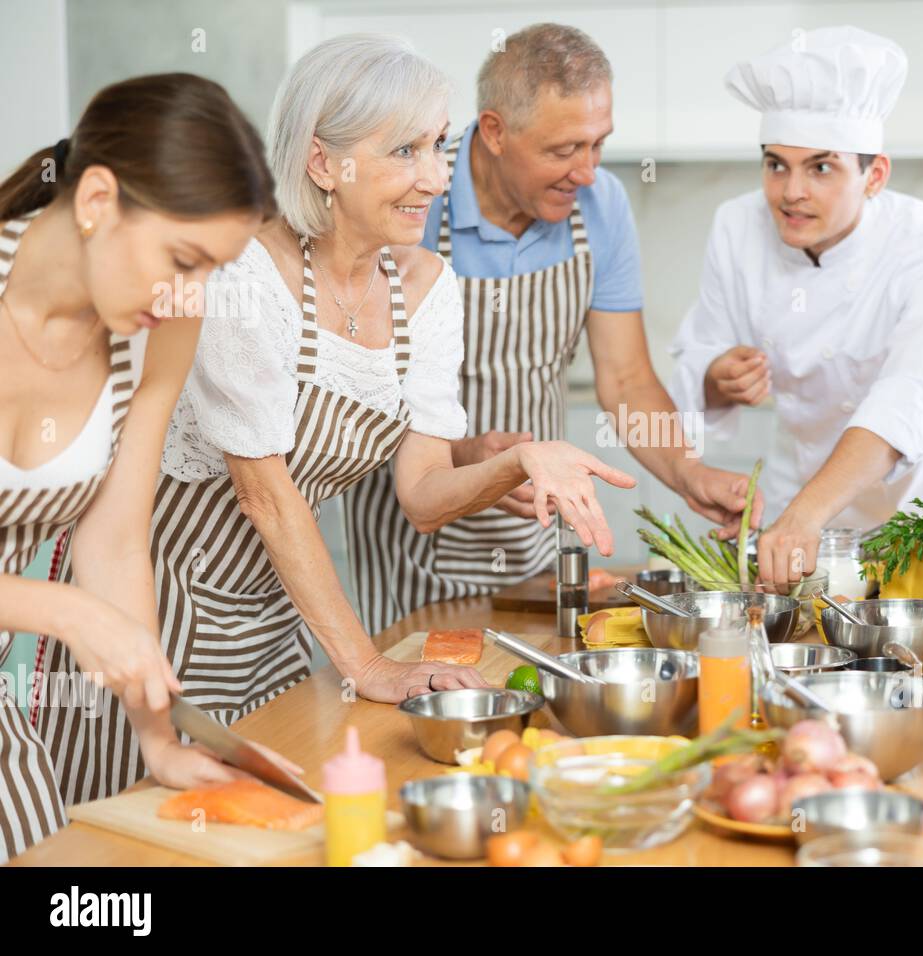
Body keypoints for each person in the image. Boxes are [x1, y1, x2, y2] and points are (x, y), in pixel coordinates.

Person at [35, 35, 635, 805]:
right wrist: (370, 666)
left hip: (284, 614)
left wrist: (522, 462)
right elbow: (265, 493)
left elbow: (422, 494)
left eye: (439, 146)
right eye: (405, 152)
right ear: (325, 164)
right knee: (133, 826)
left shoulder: (428, 288)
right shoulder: (247, 276)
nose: (433, 177)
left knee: (273, 810)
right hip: (159, 600)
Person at [342, 23, 762, 633]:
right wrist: (462, 454)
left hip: (535, 531)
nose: (587, 172)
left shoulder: (602, 206)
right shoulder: (413, 201)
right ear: (493, 132)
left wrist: (689, 472)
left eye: (598, 144)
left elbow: (625, 377)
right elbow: (353, 395)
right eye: (564, 150)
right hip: (411, 547)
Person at [0, 73, 284, 859]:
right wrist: (65, 612)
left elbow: (116, 541)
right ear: (96, 201)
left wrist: (155, 735)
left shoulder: (156, 327)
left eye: (211, 273)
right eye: (183, 260)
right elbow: (78, 605)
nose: (191, 296)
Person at [668, 27, 923, 586]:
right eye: (775, 165)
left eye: (821, 167)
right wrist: (718, 379)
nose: (791, 192)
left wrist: (806, 515)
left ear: (874, 176)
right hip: (806, 490)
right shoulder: (737, 226)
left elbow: (906, 393)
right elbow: (699, 352)